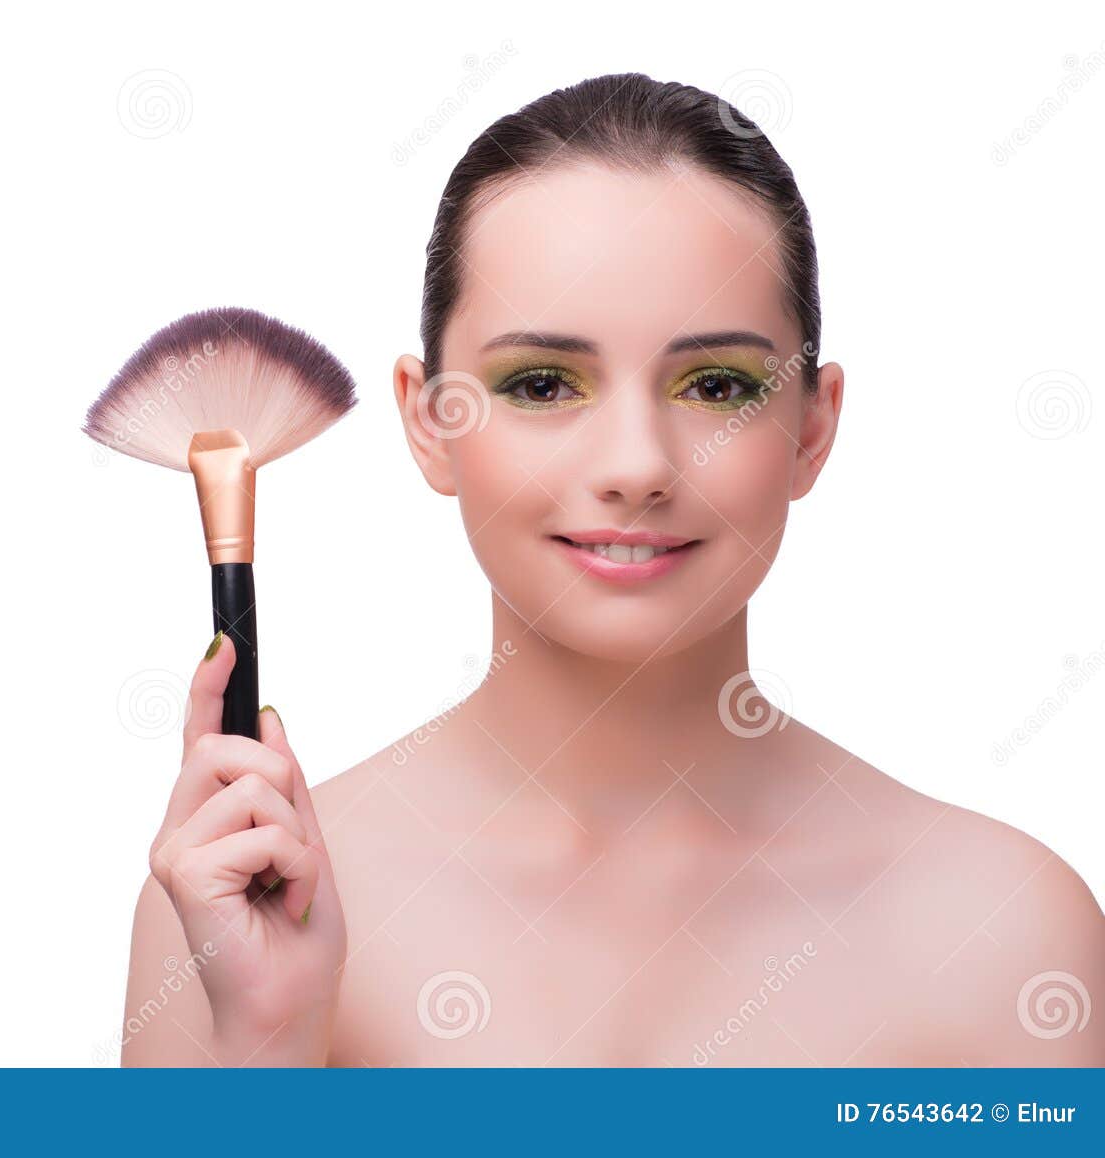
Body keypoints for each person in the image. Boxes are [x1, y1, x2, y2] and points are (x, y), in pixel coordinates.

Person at [121, 72, 1105, 1066]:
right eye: (544, 384)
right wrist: (266, 1043)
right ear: (430, 424)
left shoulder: (1006, 938)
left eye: (714, 385)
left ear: (813, 427)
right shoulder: (228, 908)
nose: (636, 465)